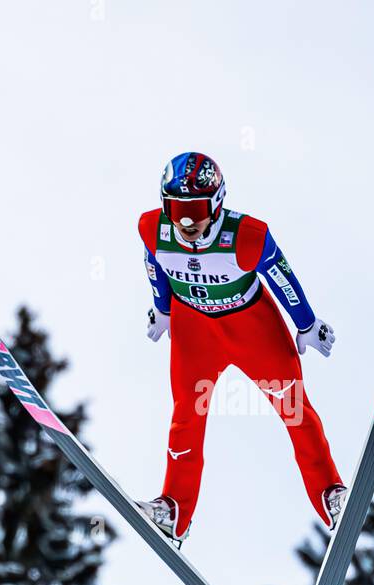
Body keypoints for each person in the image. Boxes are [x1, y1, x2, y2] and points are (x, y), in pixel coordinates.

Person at [135, 151, 346, 544]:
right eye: (177, 208)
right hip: (194, 328)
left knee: (293, 406)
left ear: (216, 204)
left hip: (252, 326)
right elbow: (154, 266)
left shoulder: (248, 236)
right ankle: (174, 510)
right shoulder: (152, 227)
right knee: (185, 418)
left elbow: (282, 278)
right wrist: (162, 310)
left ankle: (330, 493)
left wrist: (307, 324)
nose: (186, 221)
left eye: (196, 208)